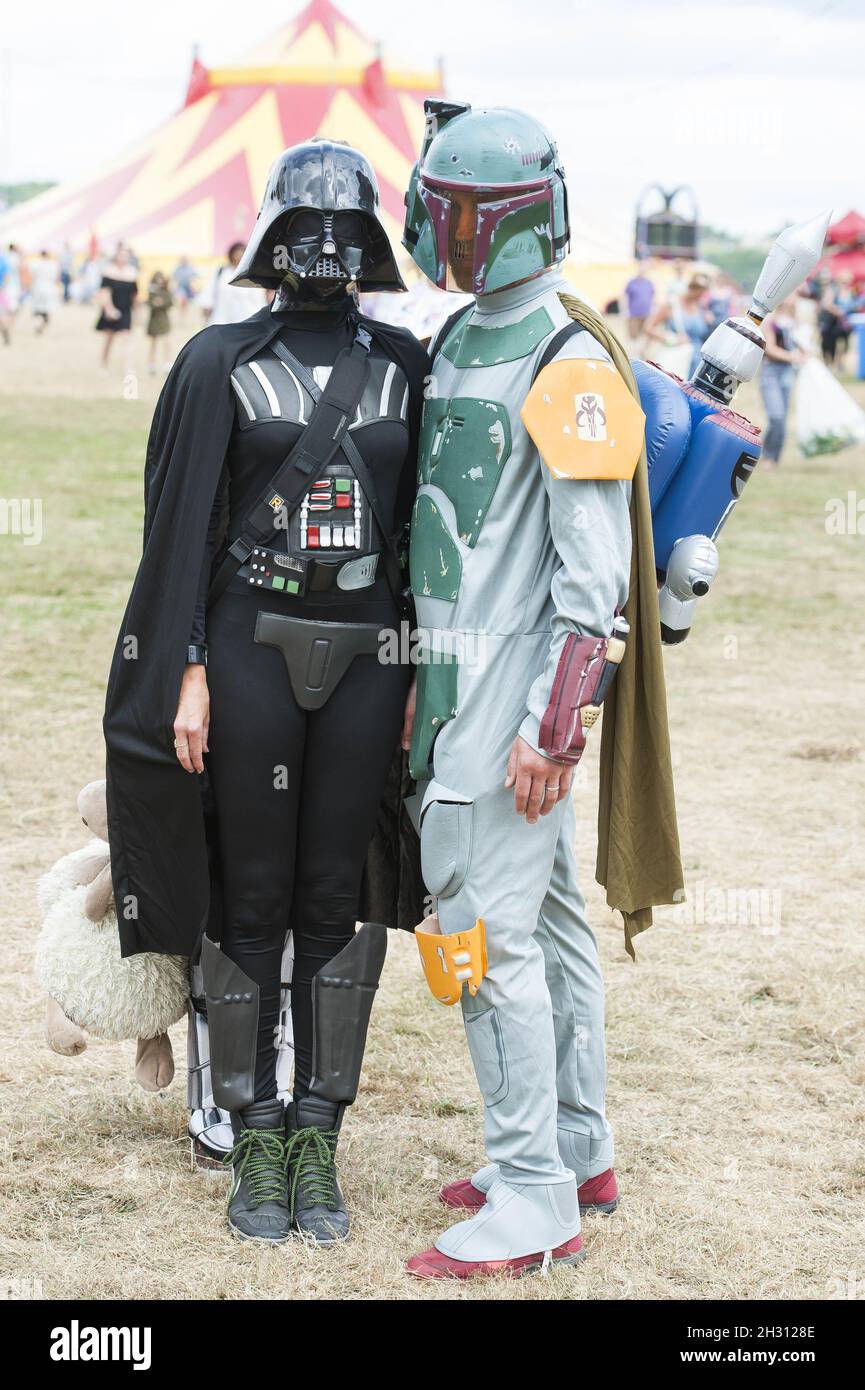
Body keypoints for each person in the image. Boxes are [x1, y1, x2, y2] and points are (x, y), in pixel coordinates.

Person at [103, 139, 429, 1244]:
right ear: (273, 238)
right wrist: (185, 665)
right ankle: (252, 1133)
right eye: (307, 225)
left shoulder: (405, 364)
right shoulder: (217, 361)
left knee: (333, 892)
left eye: (346, 227)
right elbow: (181, 526)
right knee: (250, 890)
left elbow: (422, 541)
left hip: (364, 660)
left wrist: (419, 671)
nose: (326, 245)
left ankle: (316, 1137)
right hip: (244, 647)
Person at [400, 102, 681, 1278]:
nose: (442, 230)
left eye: (459, 212)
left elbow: (593, 578)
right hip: (460, 693)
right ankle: (574, 1144)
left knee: (479, 937)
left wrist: (549, 729)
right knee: (548, 928)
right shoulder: (466, 333)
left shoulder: (567, 356)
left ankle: (530, 1194)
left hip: (509, 713)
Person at [759, 297, 804, 469]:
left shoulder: (796, 322)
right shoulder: (771, 321)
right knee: (776, 416)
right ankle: (767, 454)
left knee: (782, 419)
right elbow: (769, 349)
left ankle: (773, 458)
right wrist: (792, 356)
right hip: (771, 372)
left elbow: (803, 344)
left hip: (788, 373)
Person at [644, 270, 713, 376]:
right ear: (691, 288)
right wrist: (672, 339)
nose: (700, 297)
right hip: (676, 359)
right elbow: (648, 327)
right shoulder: (672, 305)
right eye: (699, 293)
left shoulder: (701, 307)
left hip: (697, 362)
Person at [200, 242, 267, 324]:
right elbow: (209, 293)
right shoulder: (221, 272)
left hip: (247, 322)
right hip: (221, 322)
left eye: (241, 255)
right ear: (231, 255)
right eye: (236, 254)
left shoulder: (252, 275)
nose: (238, 257)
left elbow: (259, 300)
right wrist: (206, 311)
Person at [95, 245, 138, 367]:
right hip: (111, 308)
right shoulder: (109, 271)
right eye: (121, 255)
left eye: (126, 255)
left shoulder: (132, 272)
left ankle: (127, 366)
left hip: (126, 309)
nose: (124, 258)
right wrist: (109, 309)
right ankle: (104, 363)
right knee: (109, 338)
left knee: (126, 337)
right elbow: (104, 292)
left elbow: (134, 294)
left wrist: (136, 311)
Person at [145, 271, 173, 374]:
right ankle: (151, 364)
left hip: (164, 320)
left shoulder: (166, 291)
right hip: (154, 320)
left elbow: (169, 302)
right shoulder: (152, 291)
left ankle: (167, 364)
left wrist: (161, 302)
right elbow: (150, 303)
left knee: (167, 343)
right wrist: (156, 302)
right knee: (153, 344)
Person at [30, 250, 59, 333]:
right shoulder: (53, 265)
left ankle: (38, 324)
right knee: (47, 310)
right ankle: (42, 325)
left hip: (38, 287)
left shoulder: (35, 264)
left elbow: (32, 276)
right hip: (49, 288)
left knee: (37, 310)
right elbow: (56, 278)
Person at [623, 267, 654, 341]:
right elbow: (625, 296)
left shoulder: (649, 283)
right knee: (633, 336)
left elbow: (653, 296)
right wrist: (624, 309)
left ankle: (642, 351)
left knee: (645, 335)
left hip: (646, 313)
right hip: (634, 314)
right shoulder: (631, 283)